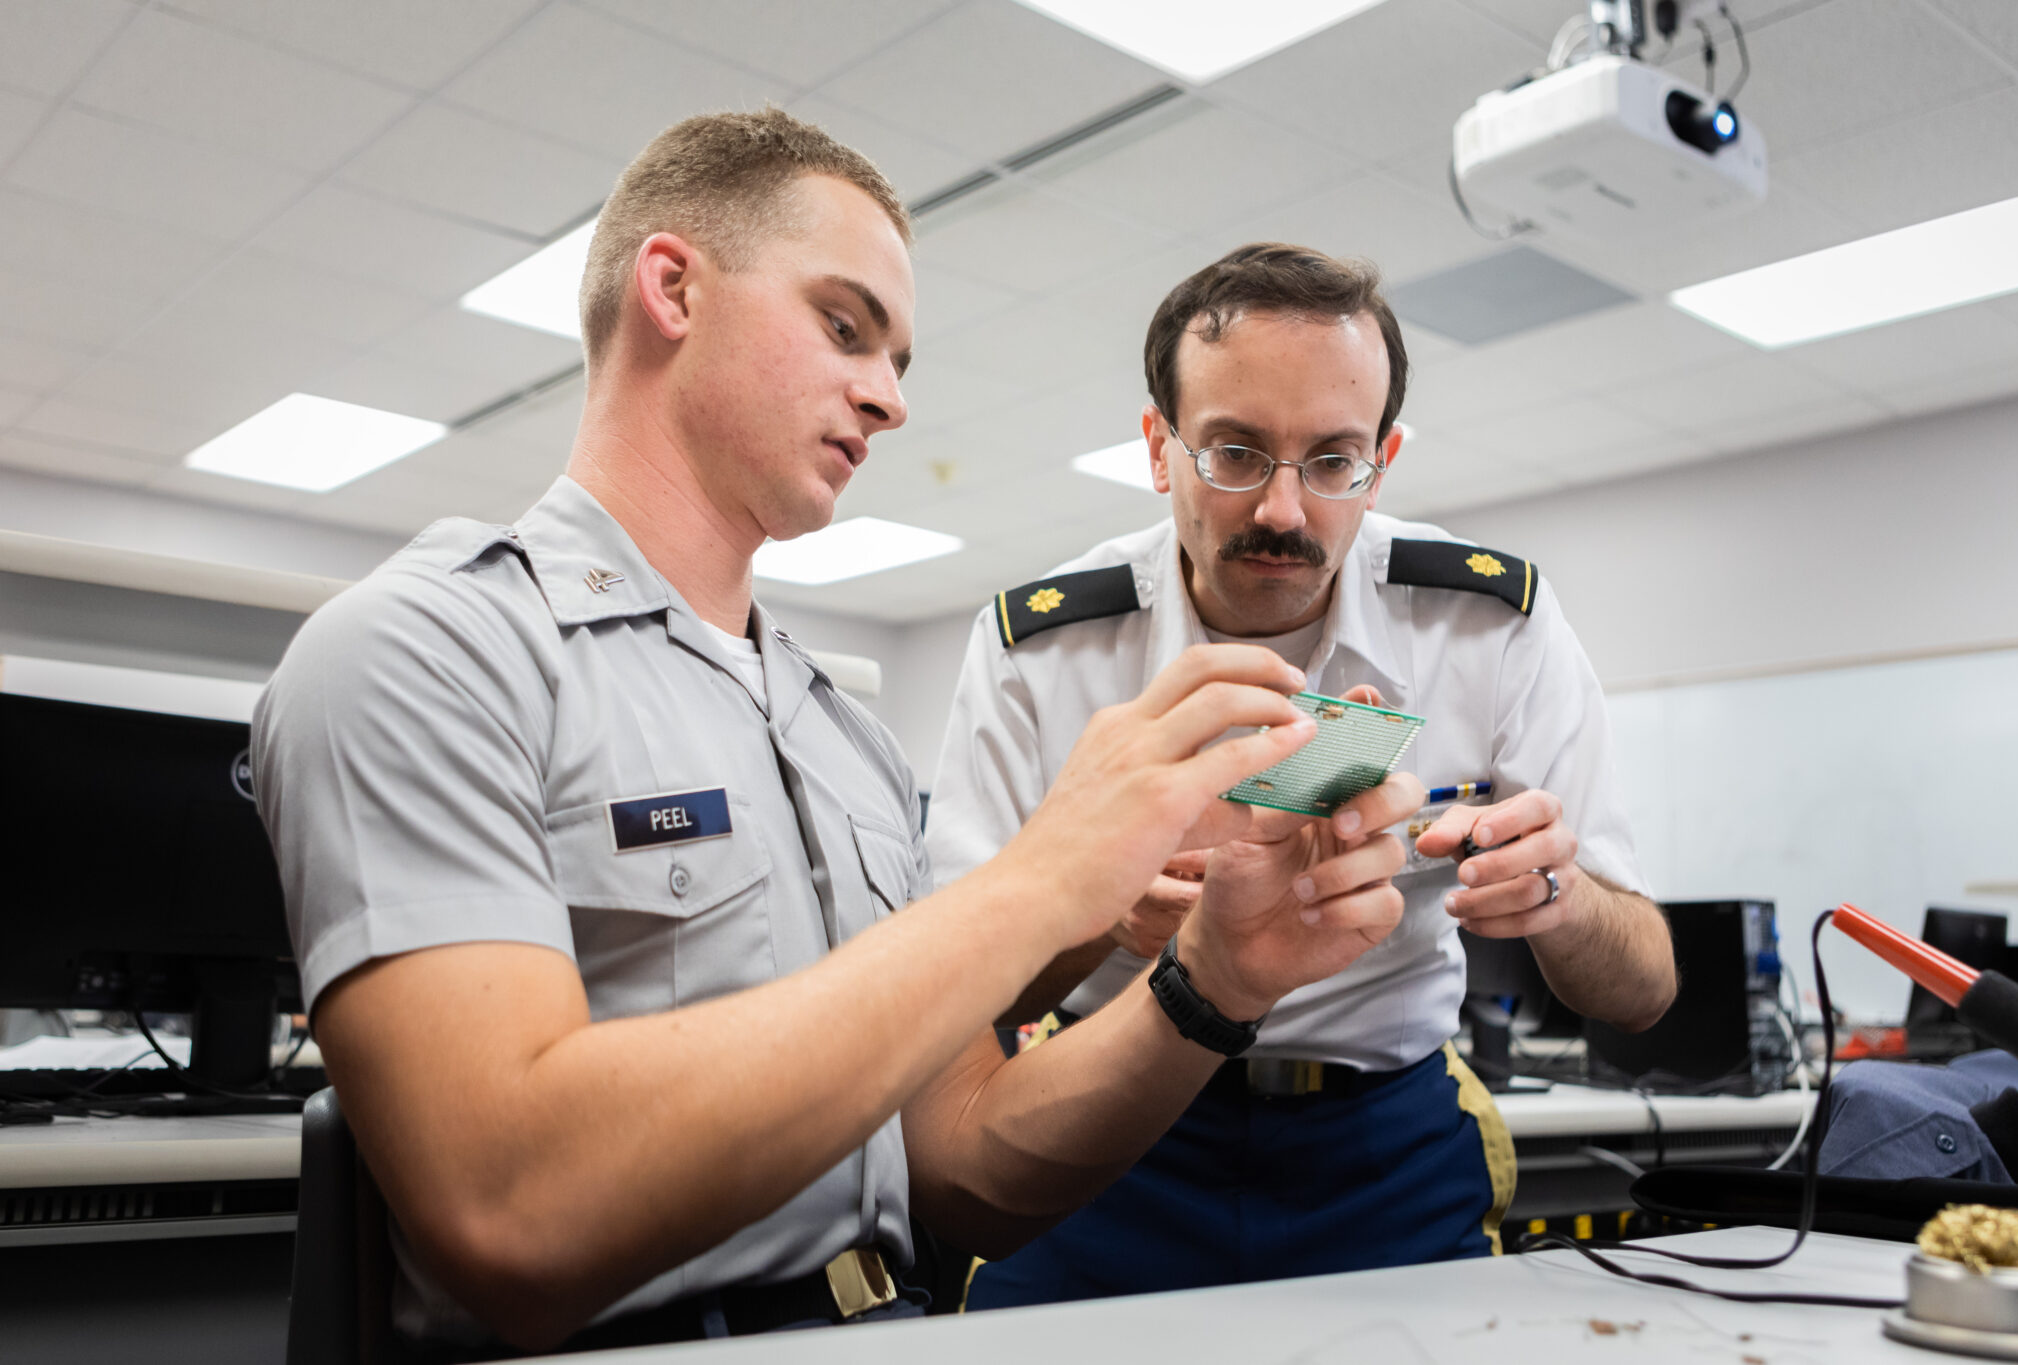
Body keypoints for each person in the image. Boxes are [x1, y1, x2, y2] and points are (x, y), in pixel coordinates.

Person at [252, 115, 1428, 1360]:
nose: (890, 396)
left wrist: (1213, 983)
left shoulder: (841, 739)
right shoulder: (431, 648)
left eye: (899, 354)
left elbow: (956, 1175)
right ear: (671, 289)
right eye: (844, 325)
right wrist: (1043, 882)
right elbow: (509, 1212)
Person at [926, 242, 1678, 1309]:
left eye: (1331, 463)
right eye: (1234, 453)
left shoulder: (1484, 625)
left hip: (1383, 1149)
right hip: (1110, 1129)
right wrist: (1094, 915)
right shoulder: (1039, 649)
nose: (1282, 511)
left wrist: (1551, 898)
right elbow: (950, 1005)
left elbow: (1641, 987)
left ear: (1384, 458)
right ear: (1158, 447)